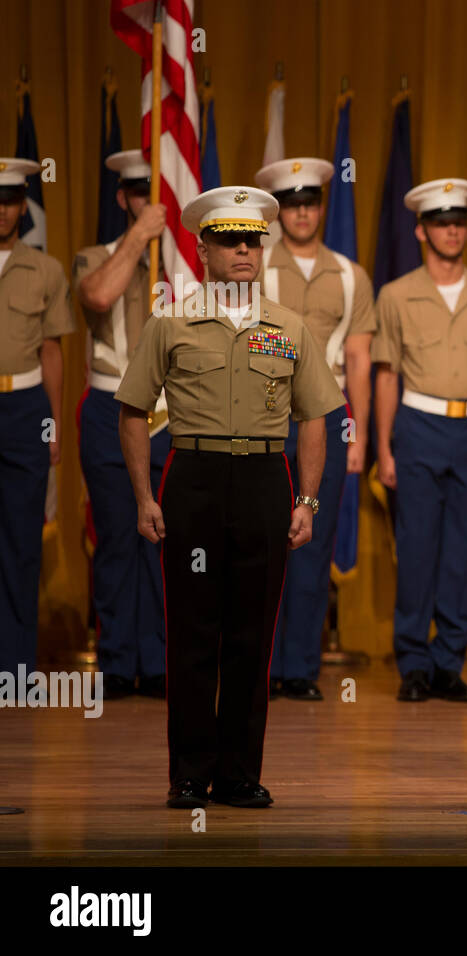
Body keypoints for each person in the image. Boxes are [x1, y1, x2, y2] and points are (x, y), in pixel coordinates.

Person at [116, 185, 343, 808]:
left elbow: (317, 414)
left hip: (266, 483)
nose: (243, 251)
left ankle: (239, 773)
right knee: (192, 634)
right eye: (229, 241)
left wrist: (310, 501)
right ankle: (189, 773)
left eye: (252, 241)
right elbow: (134, 408)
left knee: (252, 635)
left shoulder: (289, 325)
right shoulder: (171, 321)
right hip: (193, 480)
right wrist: (143, 496)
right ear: (203, 249)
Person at [371, 177, 467, 703]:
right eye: (441, 222)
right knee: (415, 547)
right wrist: (384, 447)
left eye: (459, 222)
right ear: (421, 230)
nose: (452, 230)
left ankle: (448, 661)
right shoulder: (395, 294)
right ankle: (412, 661)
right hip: (419, 425)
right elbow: (385, 374)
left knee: (462, 550)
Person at [254, 157, 376, 702]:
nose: (303, 212)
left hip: (326, 417)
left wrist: (361, 437)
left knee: (313, 539)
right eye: (294, 204)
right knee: (261, 541)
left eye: (312, 202)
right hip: (263, 411)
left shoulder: (351, 275)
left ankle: (299, 668)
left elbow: (358, 358)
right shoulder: (255, 267)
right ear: (280, 211)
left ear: (323, 206)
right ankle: (257, 663)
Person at [74, 149, 170, 699]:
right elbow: (99, 295)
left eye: (155, 190)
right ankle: (116, 662)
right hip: (111, 407)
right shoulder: (96, 256)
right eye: (138, 191)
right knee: (116, 538)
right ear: (123, 197)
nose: (148, 201)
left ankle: (158, 662)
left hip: (172, 411)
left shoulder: (186, 265)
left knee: (166, 541)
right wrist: (140, 236)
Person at [0, 156, 72, 678]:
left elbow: (51, 349)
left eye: (9, 200)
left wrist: (51, 423)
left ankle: (15, 670)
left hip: (24, 410)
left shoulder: (46, 269)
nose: (2, 211)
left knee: (20, 542)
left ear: (23, 205)